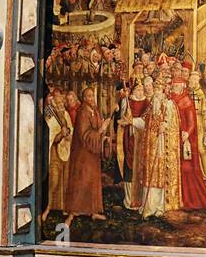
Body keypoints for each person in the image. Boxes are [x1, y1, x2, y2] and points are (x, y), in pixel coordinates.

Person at [170, 74, 206, 210]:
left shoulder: (198, 95)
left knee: (200, 151)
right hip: (175, 134)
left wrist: (205, 122)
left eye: (177, 86)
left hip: (196, 126)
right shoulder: (173, 97)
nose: (175, 88)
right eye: (174, 86)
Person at [67, 87, 109, 223]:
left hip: (93, 153)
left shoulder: (94, 110)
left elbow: (97, 128)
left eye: (92, 96)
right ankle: (75, 210)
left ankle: (93, 211)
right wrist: (100, 131)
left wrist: (103, 133)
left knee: (93, 181)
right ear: (84, 99)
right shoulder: (82, 113)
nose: (91, 99)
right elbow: (84, 135)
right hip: (83, 154)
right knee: (82, 180)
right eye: (88, 96)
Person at [142, 81, 181, 218]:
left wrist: (165, 126)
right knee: (150, 176)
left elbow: (173, 123)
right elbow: (144, 121)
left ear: (164, 91)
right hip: (150, 147)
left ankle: (160, 207)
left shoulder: (168, 105)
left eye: (159, 90)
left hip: (162, 146)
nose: (157, 93)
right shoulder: (151, 105)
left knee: (160, 176)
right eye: (156, 90)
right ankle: (148, 207)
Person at [119, 80, 152, 212]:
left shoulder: (147, 103)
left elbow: (148, 120)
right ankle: (129, 200)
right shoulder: (127, 101)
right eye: (137, 90)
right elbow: (123, 118)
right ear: (132, 92)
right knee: (129, 165)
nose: (139, 92)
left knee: (141, 167)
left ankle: (140, 200)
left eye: (141, 90)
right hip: (130, 137)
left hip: (142, 138)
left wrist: (135, 122)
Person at [42, 89, 72, 223]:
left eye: (62, 101)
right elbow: (50, 136)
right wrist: (60, 134)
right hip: (54, 151)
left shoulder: (65, 114)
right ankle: (47, 208)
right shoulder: (49, 114)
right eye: (58, 101)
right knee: (53, 180)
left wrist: (68, 132)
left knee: (65, 179)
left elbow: (71, 128)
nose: (61, 104)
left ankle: (64, 207)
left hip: (66, 149)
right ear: (53, 101)